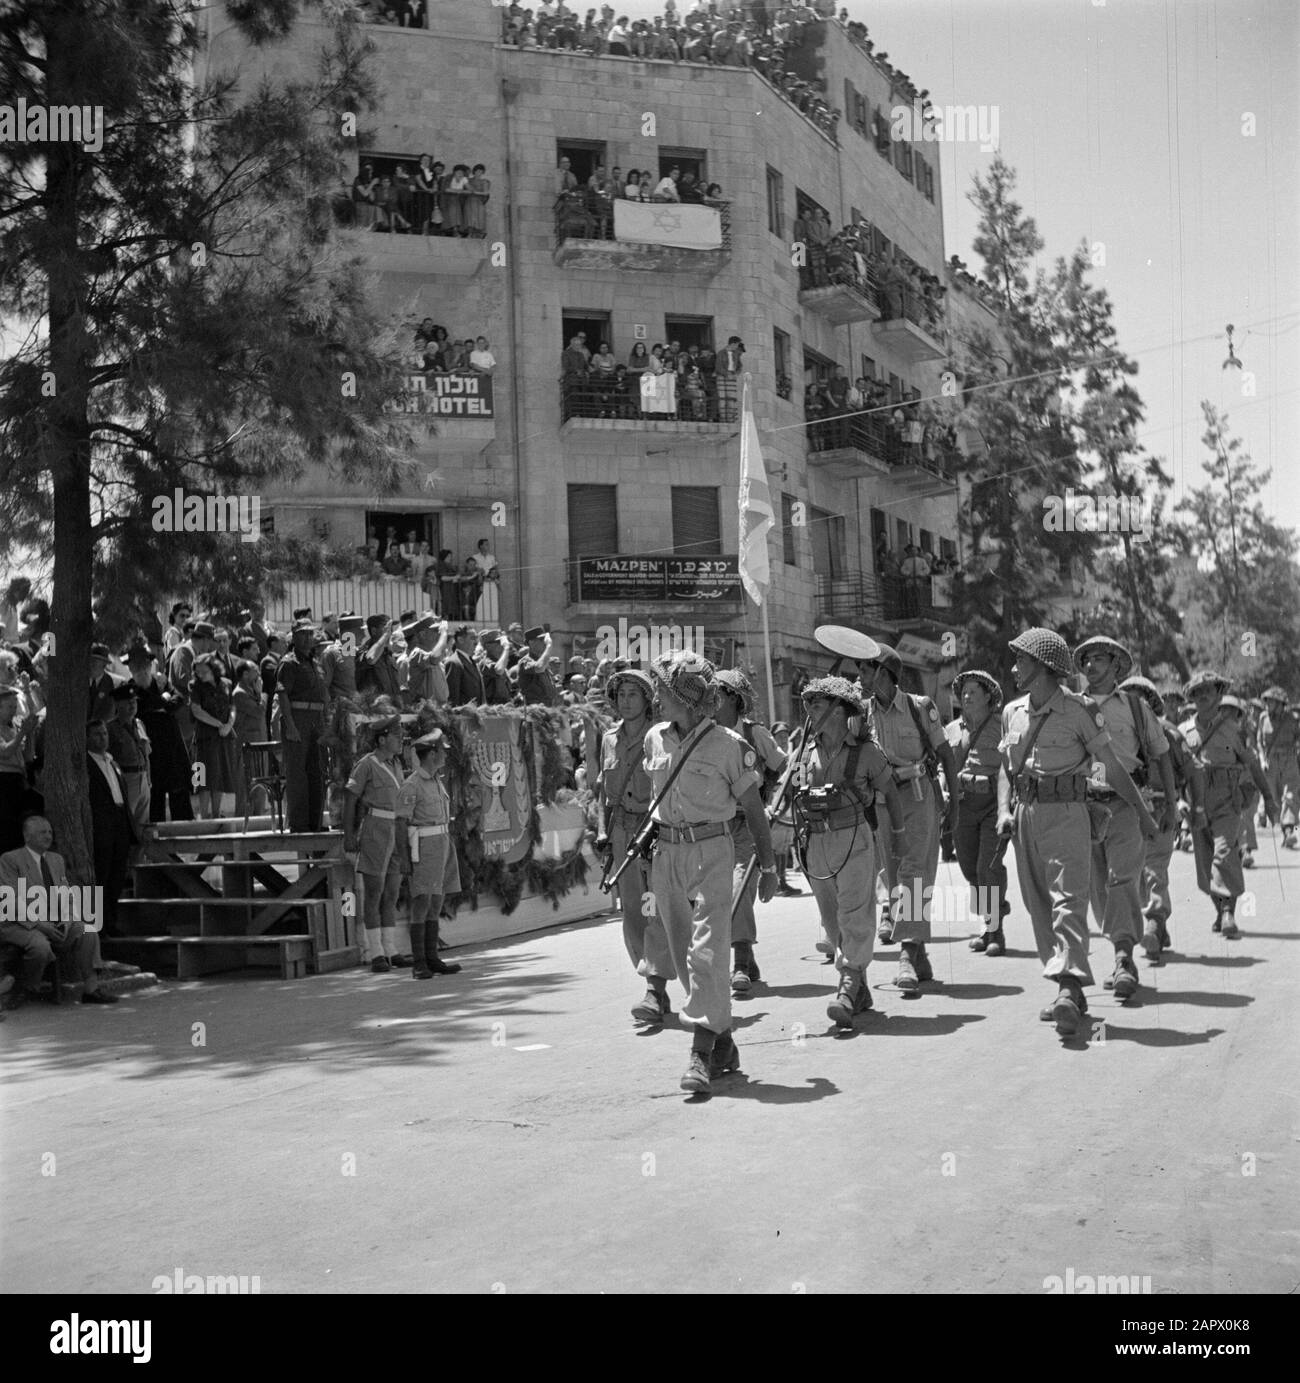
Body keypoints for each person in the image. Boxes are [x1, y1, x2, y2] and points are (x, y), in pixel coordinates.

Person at [996, 628, 1156, 1036]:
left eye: (1021, 661)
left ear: (1044, 666)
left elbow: (1113, 765)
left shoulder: (1079, 711)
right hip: (1027, 815)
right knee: (1038, 905)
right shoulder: (1012, 712)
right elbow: (1006, 768)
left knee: (1069, 898)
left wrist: (1142, 812)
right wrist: (1003, 810)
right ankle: (1071, 987)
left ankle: (1068, 986)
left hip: (1069, 812)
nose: (1014, 668)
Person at [644, 650, 777, 1095]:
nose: (656, 697)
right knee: (685, 954)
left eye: (663, 689)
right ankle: (723, 1039)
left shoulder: (728, 746)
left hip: (713, 852)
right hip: (666, 854)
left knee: (707, 951)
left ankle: (699, 1053)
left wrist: (770, 864)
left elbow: (755, 811)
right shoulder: (654, 739)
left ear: (686, 696)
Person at [793, 676, 902, 1025]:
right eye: (807, 704)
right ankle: (861, 987)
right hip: (816, 844)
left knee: (855, 914)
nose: (810, 710)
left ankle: (847, 984)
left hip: (854, 838)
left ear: (840, 711)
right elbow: (790, 793)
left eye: (818, 704)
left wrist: (897, 832)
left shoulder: (866, 752)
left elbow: (891, 790)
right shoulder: (804, 753)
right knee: (832, 920)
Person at [1073, 636, 1177, 1000]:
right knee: (1097, 887)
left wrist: (1174, 807)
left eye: (1098, 659)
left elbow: (1161, 754)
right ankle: (1119, 944)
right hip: (1082, 807)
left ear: (1117, 665)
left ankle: (1123, 959)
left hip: (1125, 805)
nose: (1089, 665)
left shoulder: (1134, 707)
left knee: (1123, 880)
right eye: (1084, 659)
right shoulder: (1071, 706)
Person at [864, 643, 959, 993]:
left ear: (884, 673)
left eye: (865, 670)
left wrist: (955, 801)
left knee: (913, 875)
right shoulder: (860, 713)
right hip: (880, 802)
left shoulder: (920, 707)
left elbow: (946, 755)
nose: (860, 676)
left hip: (918, 797)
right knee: (891, 876)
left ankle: (906, 956)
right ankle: (919, 955)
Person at [595, 668, 675, 1025]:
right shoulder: (608, 739)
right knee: (631, 912)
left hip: (654, 831)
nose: (626, 701)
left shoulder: (659, 736)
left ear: (647, 701)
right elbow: (603, 794)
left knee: (652, 907)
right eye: (621, 695)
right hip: (621, 832)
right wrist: (603, 833)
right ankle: (651, 980)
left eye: (633, 695)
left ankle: (654, 990)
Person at [1180, 672, 1276, 939]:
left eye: (1207, 691)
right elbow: (1175, 772)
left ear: (1218, 695)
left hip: (1227, 800)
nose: (1202, 696)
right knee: (1205, 864)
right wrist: (1177, 801)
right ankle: (1220, 909)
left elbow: (1252, 765)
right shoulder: (1183, 732)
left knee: (1224, 855)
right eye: (1197, 692)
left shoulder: (1233, 731)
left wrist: (1268, 798)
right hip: (1196, 802)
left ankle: (1228, 914)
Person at [712, 669, 786, 994]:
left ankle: (739, 962)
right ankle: (747, 955)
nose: (709, 698)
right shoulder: (706, 735)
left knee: (739, 887)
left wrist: (770, 795)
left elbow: (782, 768)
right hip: (714, 825)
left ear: (733, 697)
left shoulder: (757, 735)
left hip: (748, 824)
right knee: (716, 894)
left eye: (717, 692)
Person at [0, 815, 119, 1006]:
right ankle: (26, 988)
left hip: (55, 920)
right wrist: (40, 925)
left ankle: (91, 989)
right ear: (27, 836)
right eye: (42, 832)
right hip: (20, 924)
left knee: (88, 932)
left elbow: (66, 894)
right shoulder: (10, 859)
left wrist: (68, 919)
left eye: (49, 832)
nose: (48, 836)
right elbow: (10, 899)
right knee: (40, 948)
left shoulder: (56, 860)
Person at [945, 670, 1011, 954]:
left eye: (974, 691)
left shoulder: (1001, 726)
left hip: (993, 805)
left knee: (989, 866)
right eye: (964, 692)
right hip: (962, 806)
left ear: (988, 697)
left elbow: (1012, 765)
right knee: (970, 869)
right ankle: (987, 924)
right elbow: (941, 764)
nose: (967, 696)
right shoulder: (951, 729)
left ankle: (996, 932)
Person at [343, 716, 410, 972]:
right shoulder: (367, 765)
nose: (401, 739)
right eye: (396, 735)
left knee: (391, 892)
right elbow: (350, 799)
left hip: (395, 829)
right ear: (382, 739)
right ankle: (375, 953)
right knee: (374, 892)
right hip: (375, 829)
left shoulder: (396, 764)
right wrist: (348, 834)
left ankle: (390, 948)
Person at [396, 730, 463, 979]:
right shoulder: (412, 784)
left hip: (441, 844)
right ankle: (419, 962)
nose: (445, 754)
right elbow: (400, 823)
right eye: (442, 750)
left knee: (436, 901)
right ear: (432, 753)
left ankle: (432, 958)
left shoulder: (435, 780)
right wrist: (403, 858)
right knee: (422, 901)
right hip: (423, 847)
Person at [276, 620, 329, 833]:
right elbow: (282, 694)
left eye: (310, 633)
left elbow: (323, 696)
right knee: (298, 772)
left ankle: (314, 822)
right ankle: (299, 823)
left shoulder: (315, 662)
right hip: (297, 717)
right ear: (293, 637)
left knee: (317, 771)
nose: (307, 637)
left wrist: (325, 724)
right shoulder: (289, 662)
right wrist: (289, 724)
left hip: (316, 717)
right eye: (302, 634)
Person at [86, 718, 137, 937]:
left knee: (117, 876)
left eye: (104, 733)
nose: (102, 738)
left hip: (119, 823)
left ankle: (111, 922)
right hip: (101, 827)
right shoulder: (86, 764)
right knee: (102, 876)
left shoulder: (112, 761)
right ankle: (98, 926)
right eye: (97, 734)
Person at [1257, 686, 1300, 849]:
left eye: (1272, 702)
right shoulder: (1262, 718)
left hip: (1289, 760)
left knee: (1290, 796)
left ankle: (1289, 831)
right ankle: (1284, 829)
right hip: (1270, 762)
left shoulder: (1293, 719)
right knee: (1273, 799)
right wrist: (1262, 760)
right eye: (1267, 701)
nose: (1268, 705)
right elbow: (1259, 742)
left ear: (1281, 704)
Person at [106, 682, 152, 835]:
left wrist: (148, 779)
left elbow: (146, 756)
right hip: (126, 779)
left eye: (134, 701)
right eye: (127, 702)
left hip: (142, 779)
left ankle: (140, 859)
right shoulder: (110, 729)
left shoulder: (139, 724)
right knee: (126, 825)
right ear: (117, 705)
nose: (132, 705)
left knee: (143, 826)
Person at [444, 624, 486, 706]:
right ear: (460, 640)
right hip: (463, 717)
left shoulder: (471, 661)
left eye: (476, 638)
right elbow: (452, 700)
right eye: (472, 638)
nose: (476, 642)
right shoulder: (454, 663)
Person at [517, 626, 558, 706]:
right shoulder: (526, 661)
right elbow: (539, 668)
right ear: (531, 642)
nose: (545, 642)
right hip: (534, 710)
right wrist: (549, 646)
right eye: (541, 640)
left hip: (547, 708)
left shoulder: (542, 661)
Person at [475, 629, 513, 705]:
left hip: (504, 708)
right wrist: (506, 648)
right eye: (498, 643)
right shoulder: (485, 662)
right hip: (492, 710)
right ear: (488, 646)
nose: (502, 645)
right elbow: (498, 670)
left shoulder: (499, 662)